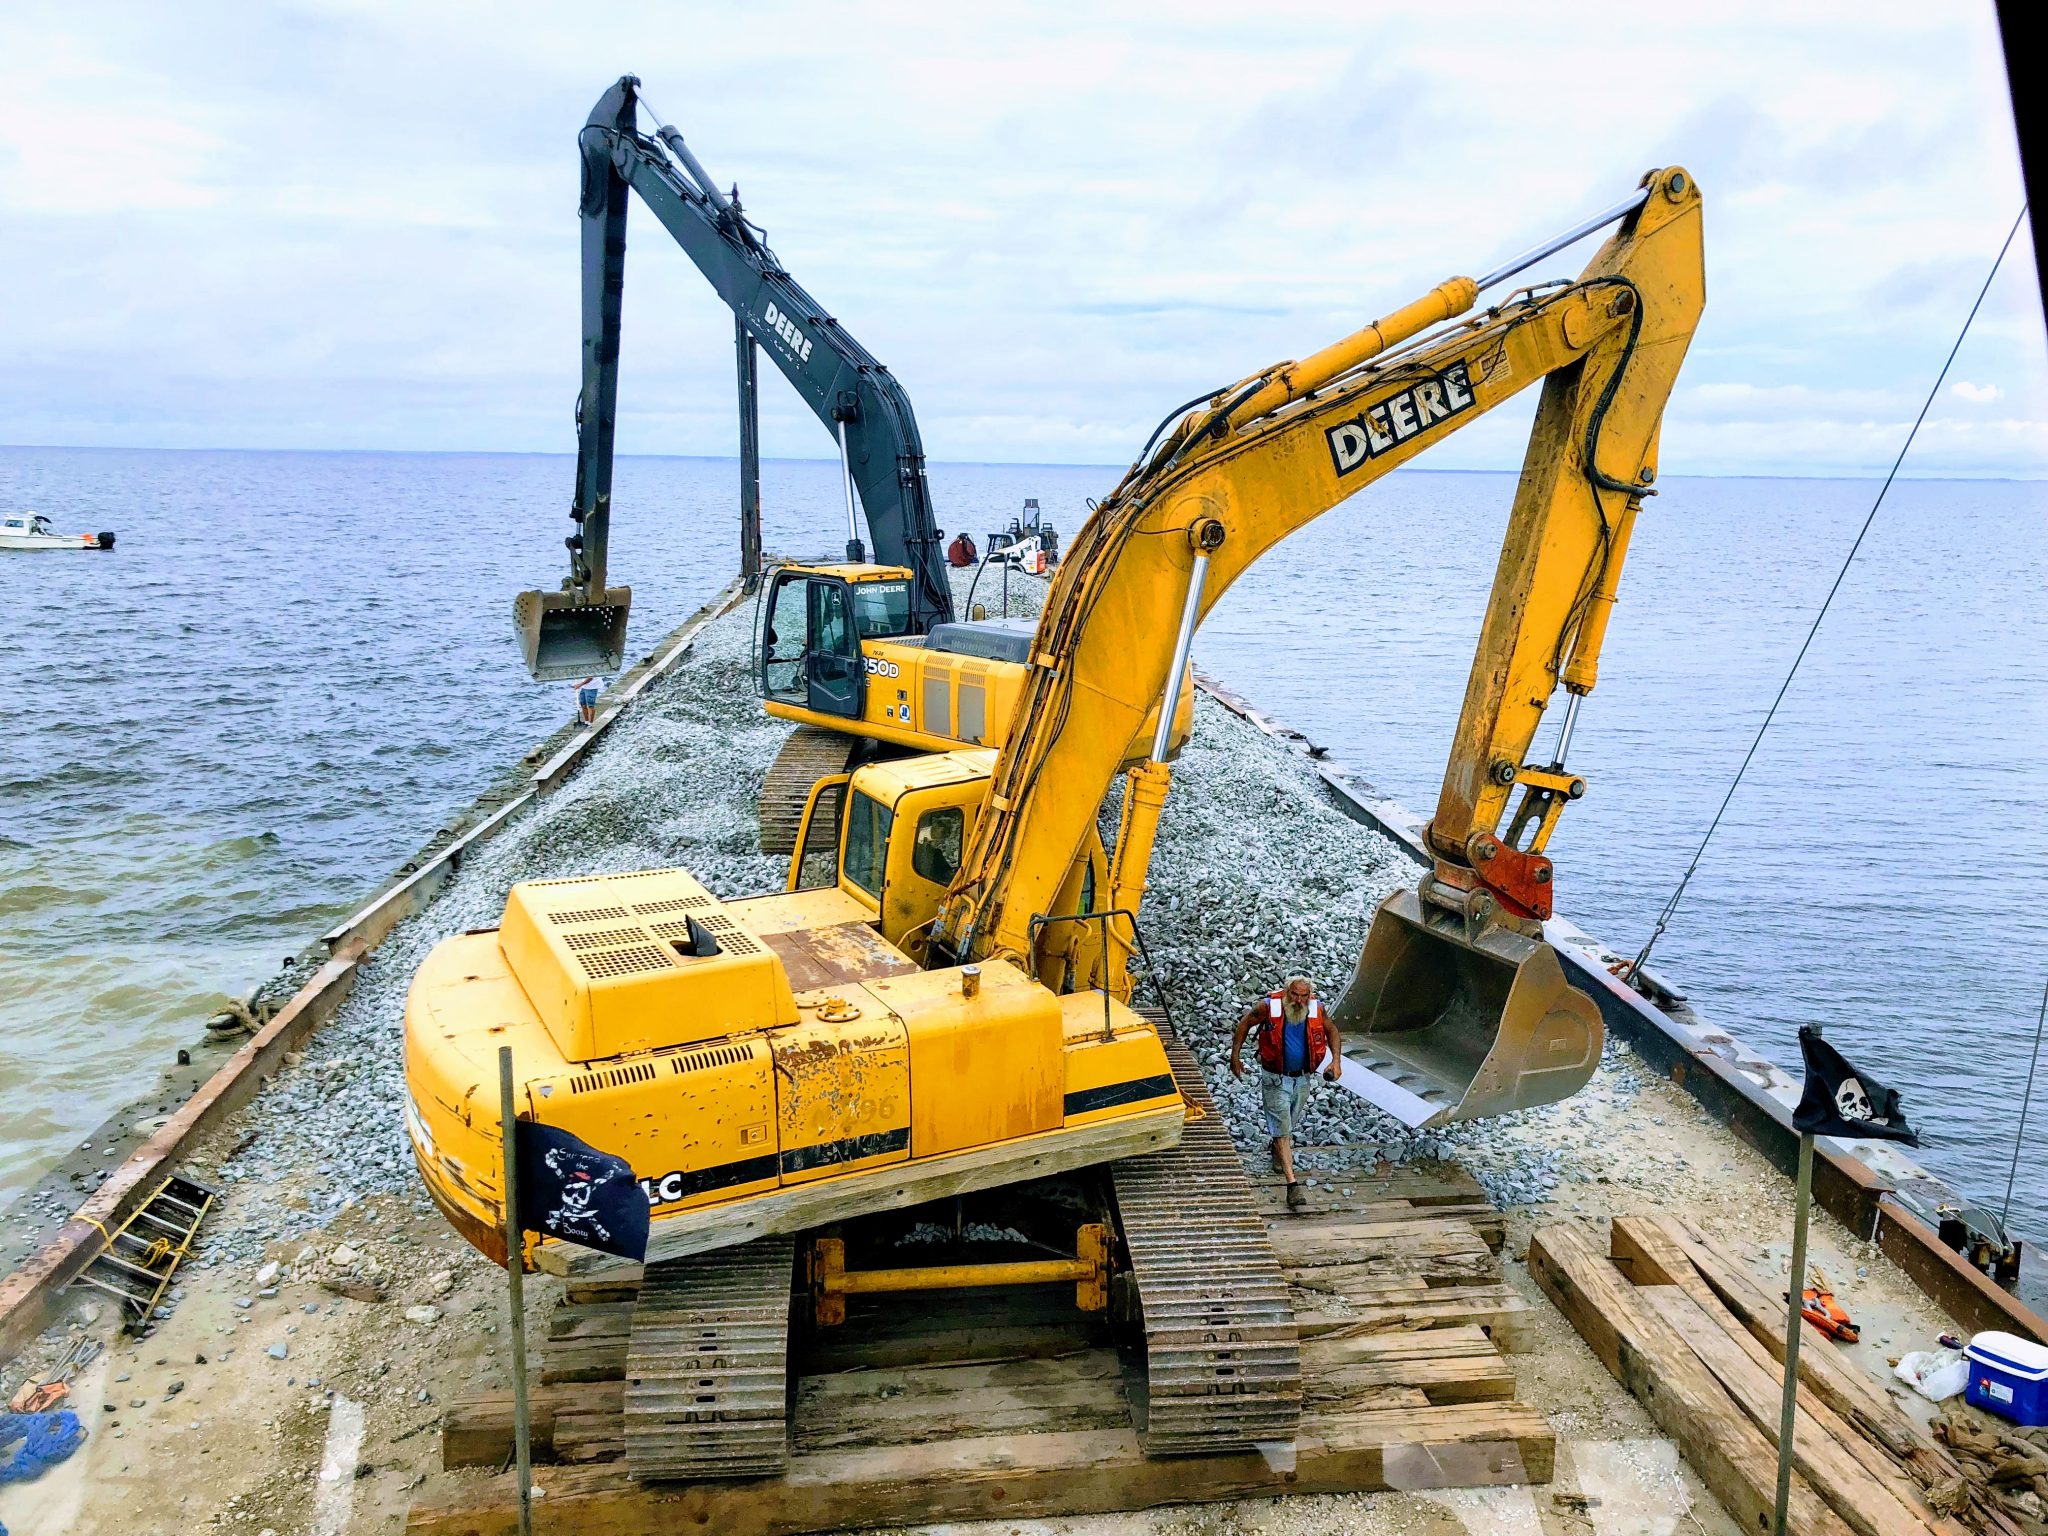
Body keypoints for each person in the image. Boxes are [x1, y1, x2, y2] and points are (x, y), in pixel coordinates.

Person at [1229, 975, 1342, 1209]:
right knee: (1283, 1128)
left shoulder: (1317, 1010)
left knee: (1289, 1121)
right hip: (1275, 1078)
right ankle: (1292, 1186)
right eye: (1294, 994)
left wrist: (1336, 1061)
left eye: (1304, 996)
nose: (1299, 1001)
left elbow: (1332, 1032)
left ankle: (1277, 1149)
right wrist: (1235, 1056)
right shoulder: (1267, 1007)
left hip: (1302, 1078)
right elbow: (1244, 1024)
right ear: (1286, 992)